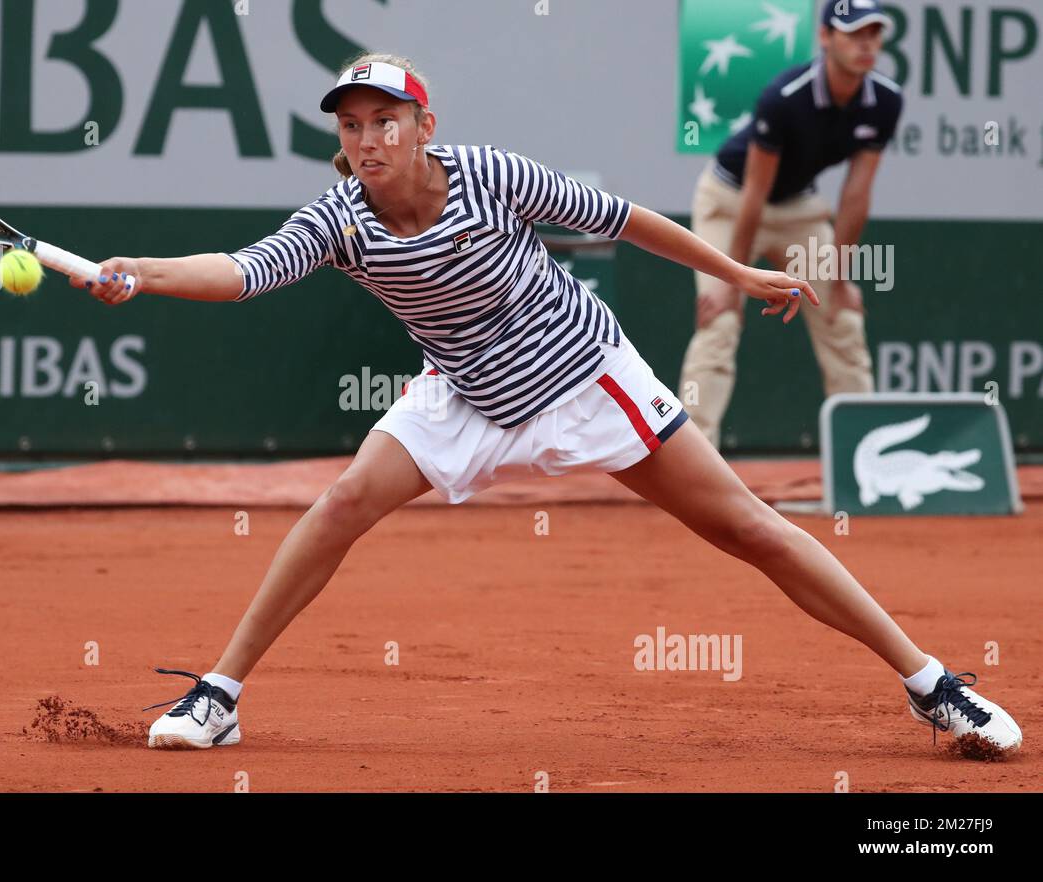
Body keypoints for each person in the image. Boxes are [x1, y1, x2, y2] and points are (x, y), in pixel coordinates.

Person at [74, 53, 1020, 757]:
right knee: (339, 506)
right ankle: (221, 694)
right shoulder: (339, 222)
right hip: (466, 393)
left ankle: (931, 682)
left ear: (423, 125)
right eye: (352, 126)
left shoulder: (492, 175)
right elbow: (243, 273)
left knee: (749, 527)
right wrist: (143, 273)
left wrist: (731, 266)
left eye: (384, 120)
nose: (368, 139)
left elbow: (623, 220)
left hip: (584, 377)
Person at [679, 0, 902, 448]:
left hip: (798, 210)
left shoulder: (885, 101)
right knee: (719, 319)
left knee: (842, 317)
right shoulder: (784, 98)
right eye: (853, 33)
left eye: (873, 34)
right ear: (824, 37)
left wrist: (839, 279)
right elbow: (753, 196)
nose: (866, 44)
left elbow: (856, 195)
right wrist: (732, 280)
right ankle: (692, 457)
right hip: (731, 203)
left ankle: (861, 457)